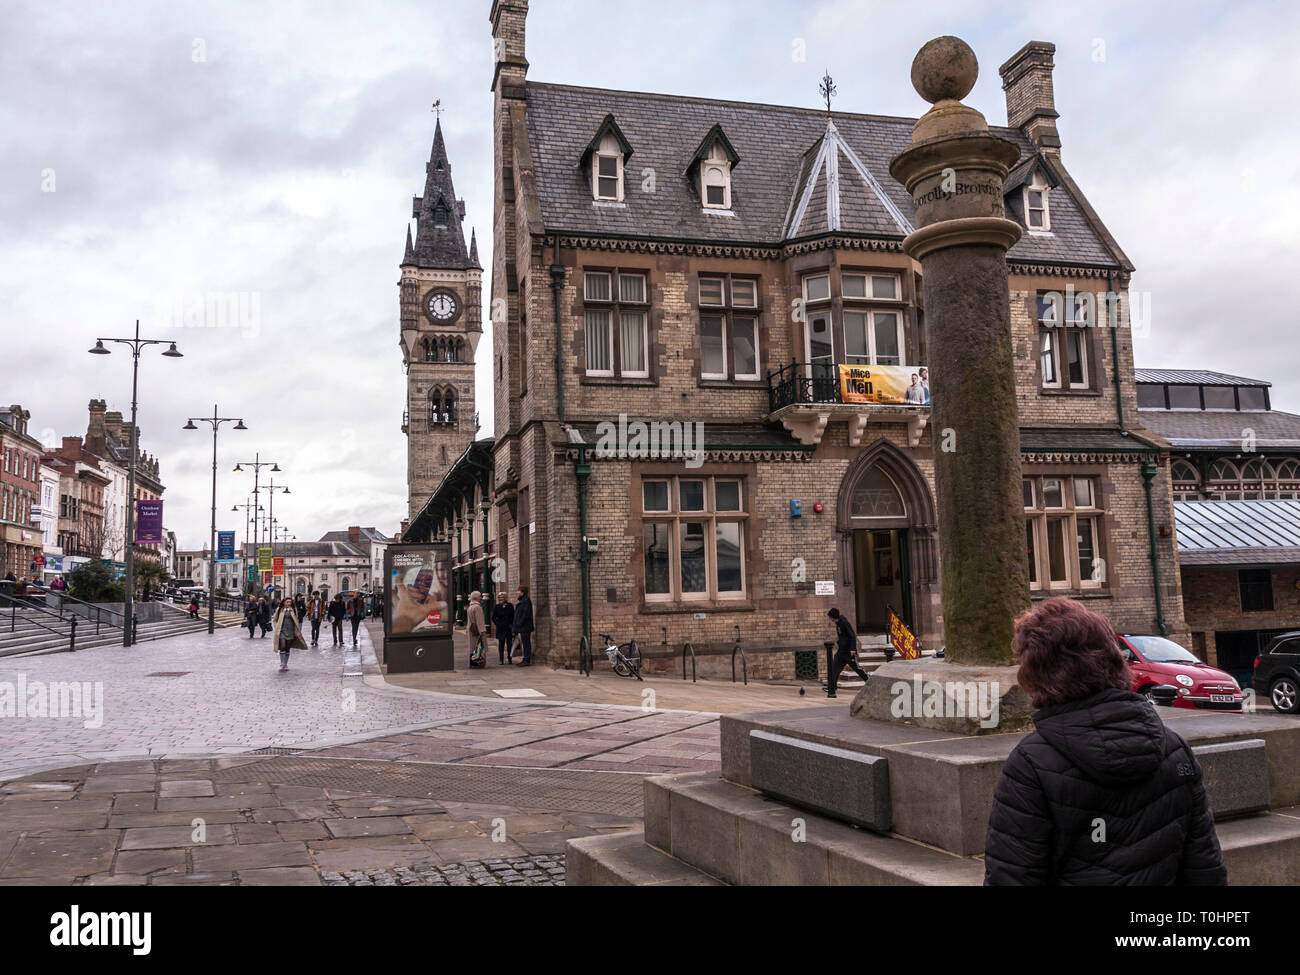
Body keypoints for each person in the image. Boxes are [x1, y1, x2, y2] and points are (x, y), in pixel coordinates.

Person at [984, 597, 1227, 886]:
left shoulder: (1030, 764)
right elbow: (1205, 869)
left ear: (1037, 675)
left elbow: (1012, 877)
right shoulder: (1175, 749)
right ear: (1114, 659)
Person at [825, 608, 870, 698]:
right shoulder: (838, 624)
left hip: (849, 652)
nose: (830, 619)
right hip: (841, 651)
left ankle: (870, 681)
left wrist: (853, 648)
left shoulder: (844, 623)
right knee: (834, 668)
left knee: (857, 668)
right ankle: (832, 687)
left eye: (830, 617)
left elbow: (852, 635)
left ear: (833, 617)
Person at [272, 596, 308, 672]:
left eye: (290, 602)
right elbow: (274, 620)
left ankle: (285, 663)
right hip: (282, 630)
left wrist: (296, 630)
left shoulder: (293, 610)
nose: (289, 603)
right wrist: (277, 627)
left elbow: (296, 620)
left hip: (290, 630)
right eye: (287, 602)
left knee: (288, 647)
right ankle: (282, 663)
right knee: (283, 645)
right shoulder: (279, 610)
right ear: (284, 602)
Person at [512, 586, 534, 666]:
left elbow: (525, 614)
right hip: (523, 626)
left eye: (518, 591)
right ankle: (525, 659)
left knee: (526, 643)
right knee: (524, 643)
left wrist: (519, 623)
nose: (517, 592)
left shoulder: (526, 601)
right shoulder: (523, 600)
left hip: (525, 626)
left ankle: (527, 660)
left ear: (522, 592)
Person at [492, 591, 514, 665]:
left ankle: (510, 658)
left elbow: (513, 617)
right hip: (500, 628)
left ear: (505, 598)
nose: (500, 598)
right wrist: (498, 624)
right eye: (499, 597)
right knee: (501, 645)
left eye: (502, 597)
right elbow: (493, 617)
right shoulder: (497, 606)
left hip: (508, 628)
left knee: (509, 644)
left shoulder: (510, 605)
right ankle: (501, 659)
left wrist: (512, 626)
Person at [466, 590, 487, 667]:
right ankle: (478, 662)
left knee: (472, 647)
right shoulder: (477, 607)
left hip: (471, 629)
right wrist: (482, 631)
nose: (481, 598)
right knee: (479, 646)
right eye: (480, 596)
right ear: (477, 598)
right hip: (477, 630)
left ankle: (472, 663)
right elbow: (479, 620)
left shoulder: (470, 607)